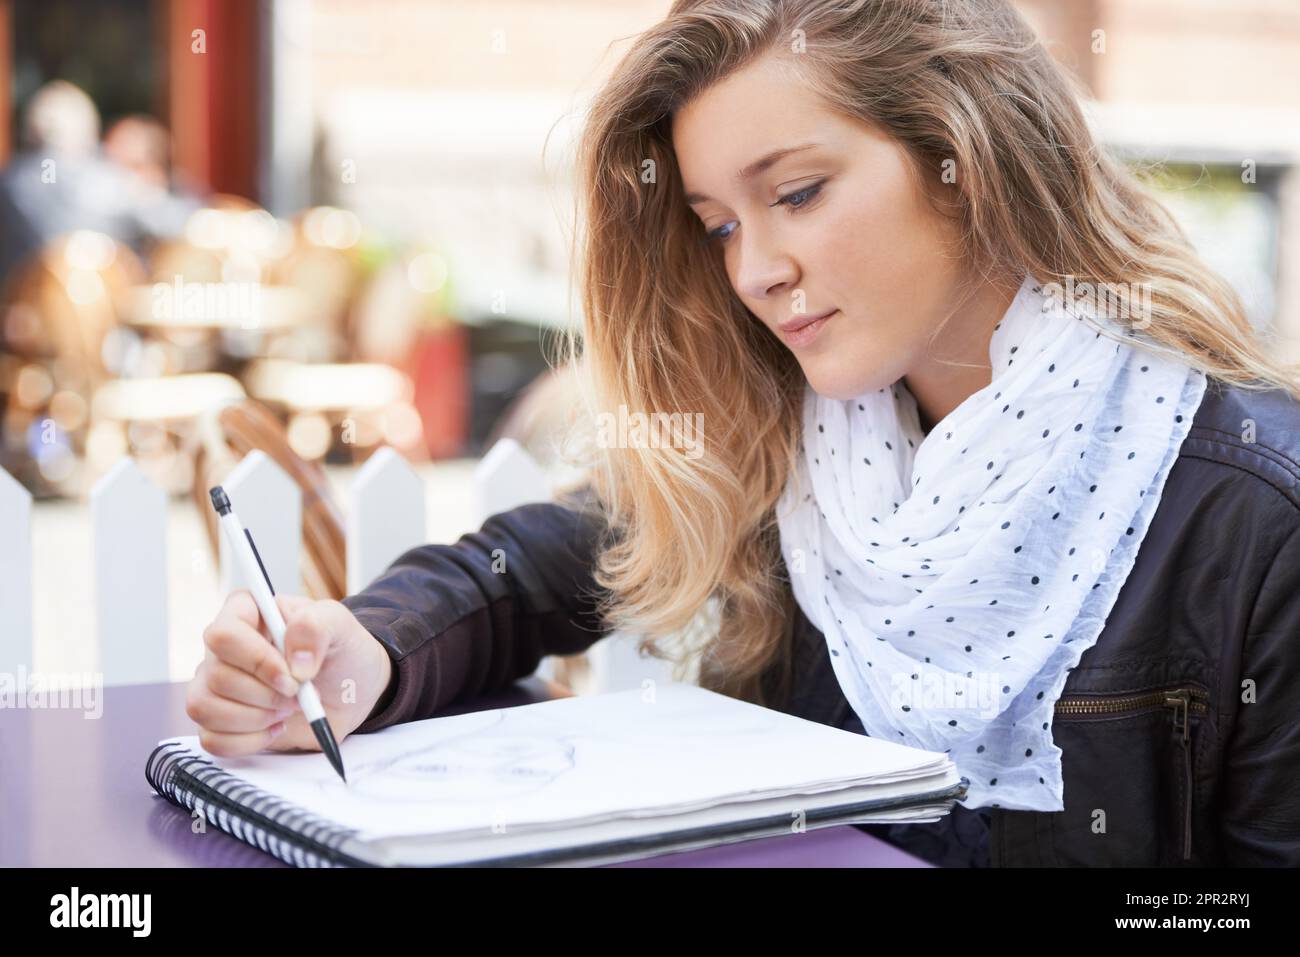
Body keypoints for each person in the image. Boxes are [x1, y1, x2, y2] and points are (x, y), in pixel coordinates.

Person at [184, 0, 1300, 866]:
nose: (755, 270)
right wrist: (368, 651)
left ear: (970, 159)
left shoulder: (1253, 517)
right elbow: (535, 567)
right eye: (718, 225)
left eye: (799, 192)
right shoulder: (793, 440)